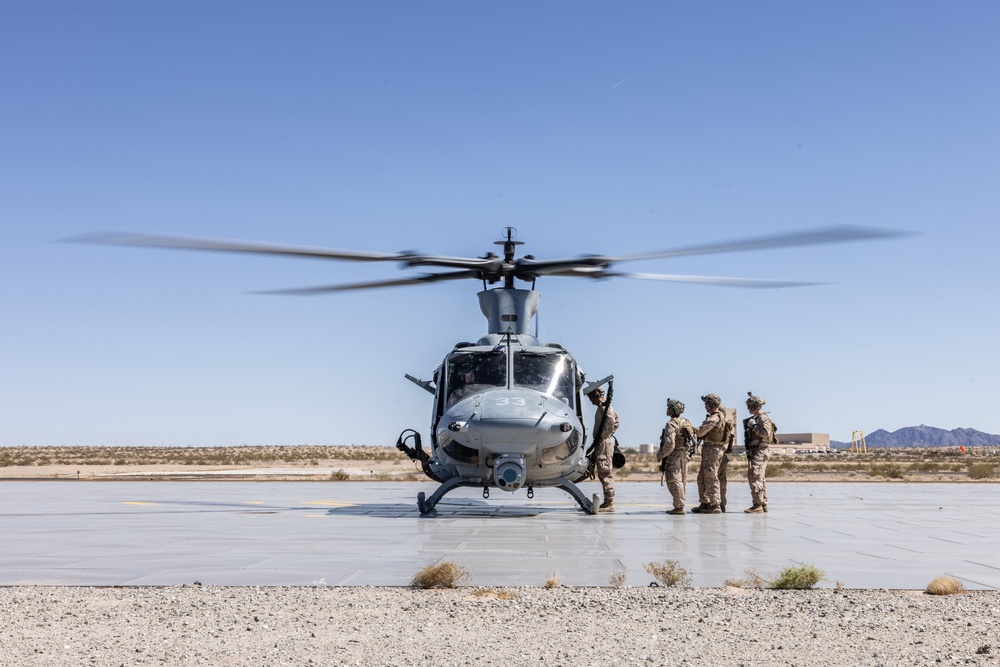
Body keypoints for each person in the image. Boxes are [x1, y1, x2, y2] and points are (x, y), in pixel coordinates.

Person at [691, 394, 728, 514]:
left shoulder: (715, 418)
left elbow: (701, 432)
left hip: (713, 450)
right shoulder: (715, 416)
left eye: (706, 404)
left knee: (711, 477)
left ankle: (715, 504)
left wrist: (688, 428)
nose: (705, 406)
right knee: (702, 477)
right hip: (709, 450)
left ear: (711, 405)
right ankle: (705, 502)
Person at [657, 398, 694, 515]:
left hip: (674, 455)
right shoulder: (686, 422)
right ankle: (680, 503)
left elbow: (669, 444)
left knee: (673, 479)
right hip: (684, 454)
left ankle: (679, 506)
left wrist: (660, 454)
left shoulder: (671, 423)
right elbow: (694, 439)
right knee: (682, 479)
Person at [588, 387, 619, 512]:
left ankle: (609, 502)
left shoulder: (605, 408)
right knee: (602, 473)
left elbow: (612, 423)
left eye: (592, 397)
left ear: (597, 395)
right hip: (601, 443)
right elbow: (617, 422)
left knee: (605, 473)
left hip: (603, 444)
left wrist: (603, 437)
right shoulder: (602, 408)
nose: (591, 401)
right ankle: (608, 501)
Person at [744, 393, 774, 513]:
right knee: (760, 478)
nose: (749, 408)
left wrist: (755, 426)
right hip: (756, 449)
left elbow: (766, 433)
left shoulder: (762, 418)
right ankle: (763, 503)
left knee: (755, 476)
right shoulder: (756, 418)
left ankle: (758, 504)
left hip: (760, 450)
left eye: (751, 405)